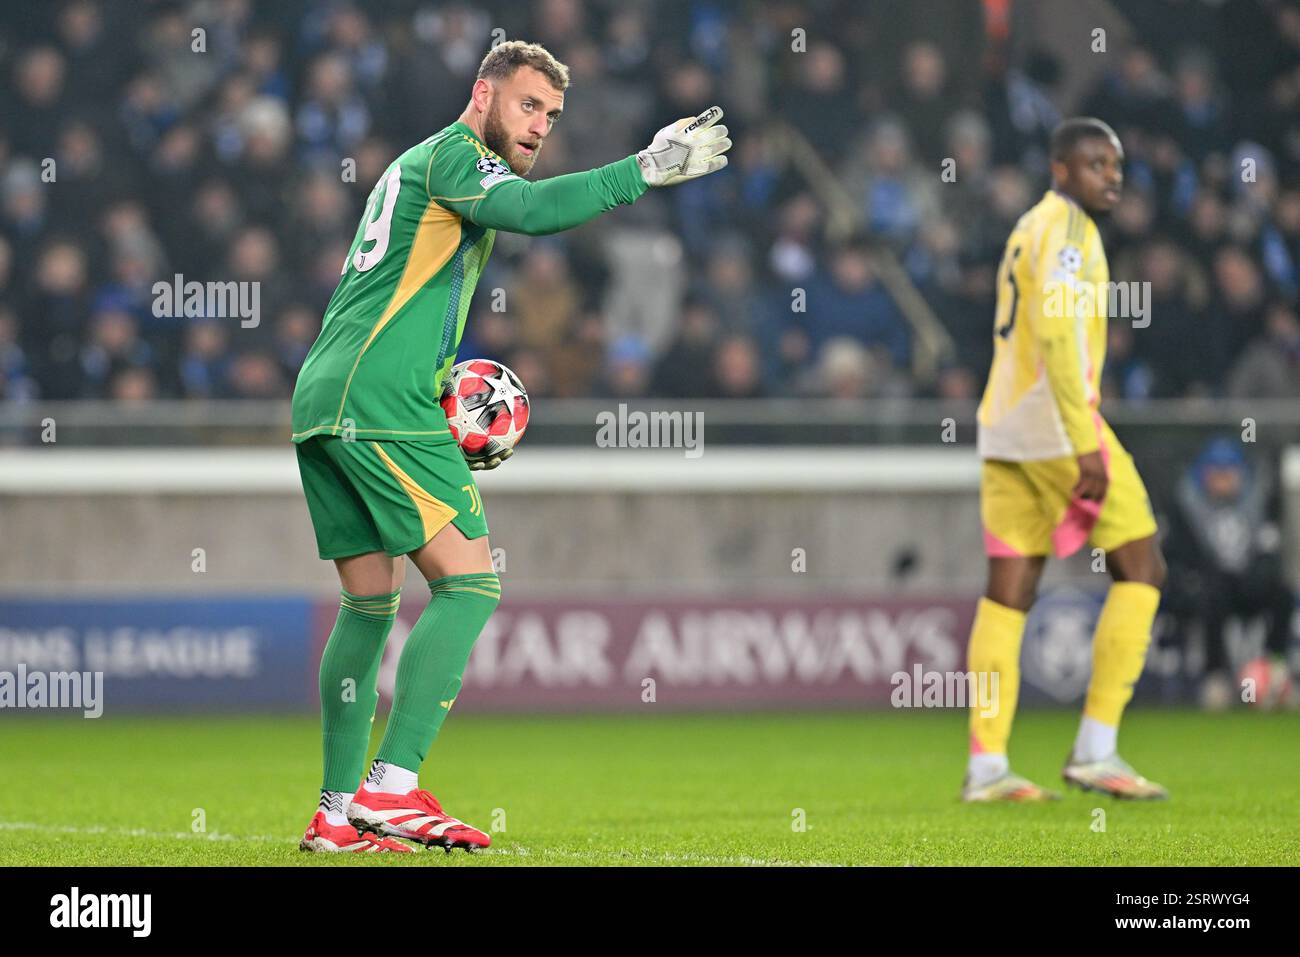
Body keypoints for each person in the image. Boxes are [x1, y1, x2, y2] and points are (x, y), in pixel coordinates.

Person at [290, 40, 730, 852]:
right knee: (471, 585)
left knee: (368, 605)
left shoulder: (415, 167)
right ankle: (394, 789)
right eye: (528, 106)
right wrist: (642, 170)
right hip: (383, 400)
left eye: (553, 116)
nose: (539, 127)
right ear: (482, 94)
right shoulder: (456, 155)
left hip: (327, 396)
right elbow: (532, 214)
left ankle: (337, 808)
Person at [962, 117, 1168, 803]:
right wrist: (1086, 440)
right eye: (1094, 164)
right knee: (1142, 563)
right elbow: (1056, 332)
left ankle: (988, 766)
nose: (1111, 176)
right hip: (1058, 428)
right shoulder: (1073, 234)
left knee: (1009, 593)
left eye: (1115, 164)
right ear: (1060, 169)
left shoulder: (1028, 226)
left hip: (1004, 429)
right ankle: (1096, 748)